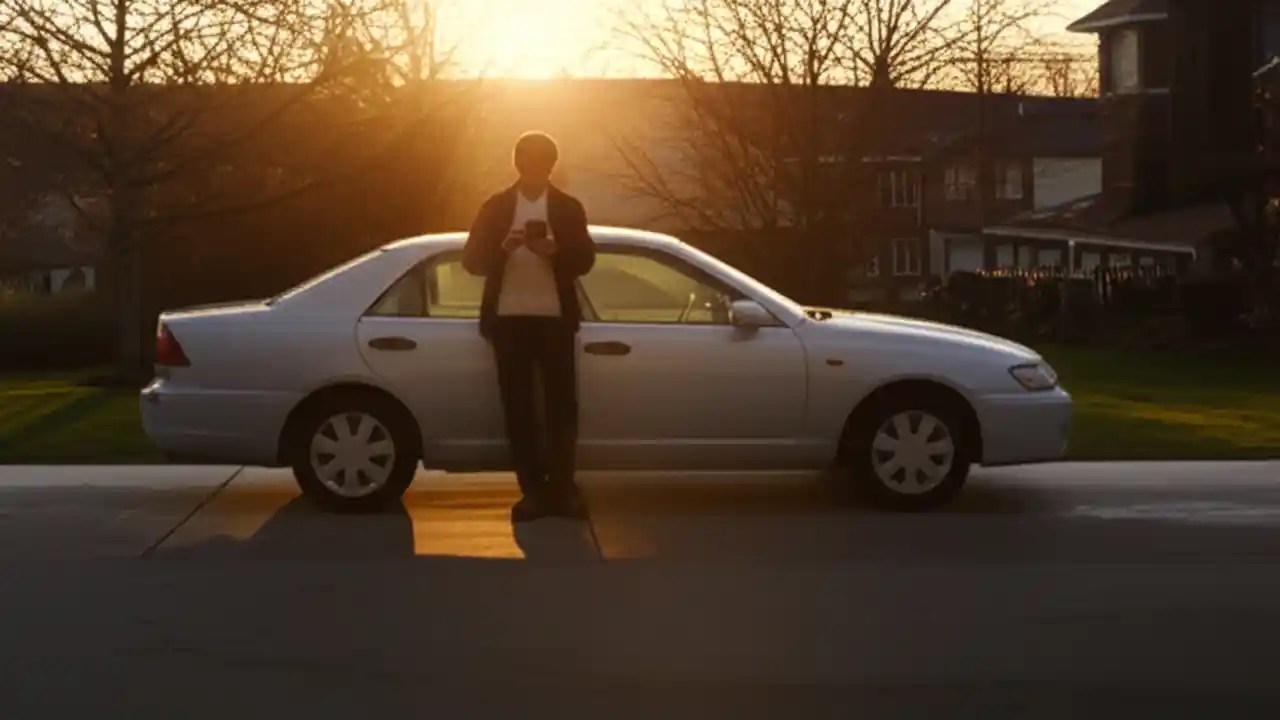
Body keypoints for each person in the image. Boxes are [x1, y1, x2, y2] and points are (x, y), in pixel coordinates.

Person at [462, 132, 596, 522]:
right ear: (517, 164)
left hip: (555, 320)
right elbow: (471, 261)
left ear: (551, 166)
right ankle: (533, 493)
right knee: (518, 408)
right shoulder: (497, 207)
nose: (535, 169)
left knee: (561, 407)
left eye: (542, 162)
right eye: (528, 161)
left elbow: (585, 260)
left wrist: (557, 252)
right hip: (508, 321)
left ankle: (564, 490)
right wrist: (501, 249)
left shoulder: (568, 208)